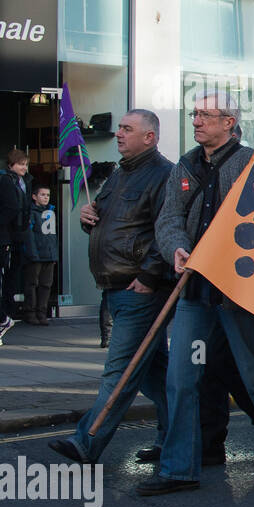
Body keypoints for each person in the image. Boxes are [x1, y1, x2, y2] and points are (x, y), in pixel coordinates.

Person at [140, 91, 254, 495]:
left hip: (237, 290)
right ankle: (178, 469)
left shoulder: (252, 162)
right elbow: (169, 218)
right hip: (195, 289)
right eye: (195, 113)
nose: (197, 121)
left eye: (206, 115)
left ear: (229, 122)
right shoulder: (185, 165)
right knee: (181, 378)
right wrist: (176, 248)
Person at [46, 111, 174, 465]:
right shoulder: (120, 174)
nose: (118, 134)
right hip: (115, 286)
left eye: (127, 129)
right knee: (155, 374)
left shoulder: (162, 174)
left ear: (149, 137)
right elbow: (107, 222)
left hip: (140, 291)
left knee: (120, 371)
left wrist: (149, 276)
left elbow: (167, 231)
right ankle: (179, 439)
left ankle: (86, 441)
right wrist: (89, 218)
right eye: (119, 128)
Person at [0, 148, 32, 339]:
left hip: (12, 237)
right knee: (9, 279)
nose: (24, 168)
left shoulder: (20, 181)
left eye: (26, 164)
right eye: (21, 164)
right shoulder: (10, 181)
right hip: (13, 237)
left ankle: (4, 317)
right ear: (11, 165)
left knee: (9, 279)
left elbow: (13, 208)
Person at [22, 183, 57, 325]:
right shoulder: (31, 213)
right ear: (34, 196)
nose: (46, 197)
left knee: (46, 285)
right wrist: (33, 254)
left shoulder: (51, 213)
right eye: (42, 195)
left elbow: (53, 236)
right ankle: (30, 312)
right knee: (32, 284)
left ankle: (42, 313)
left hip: (49, 255)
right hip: (35, 255)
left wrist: (54, 254)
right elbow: (29, 235)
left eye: (48, 195)